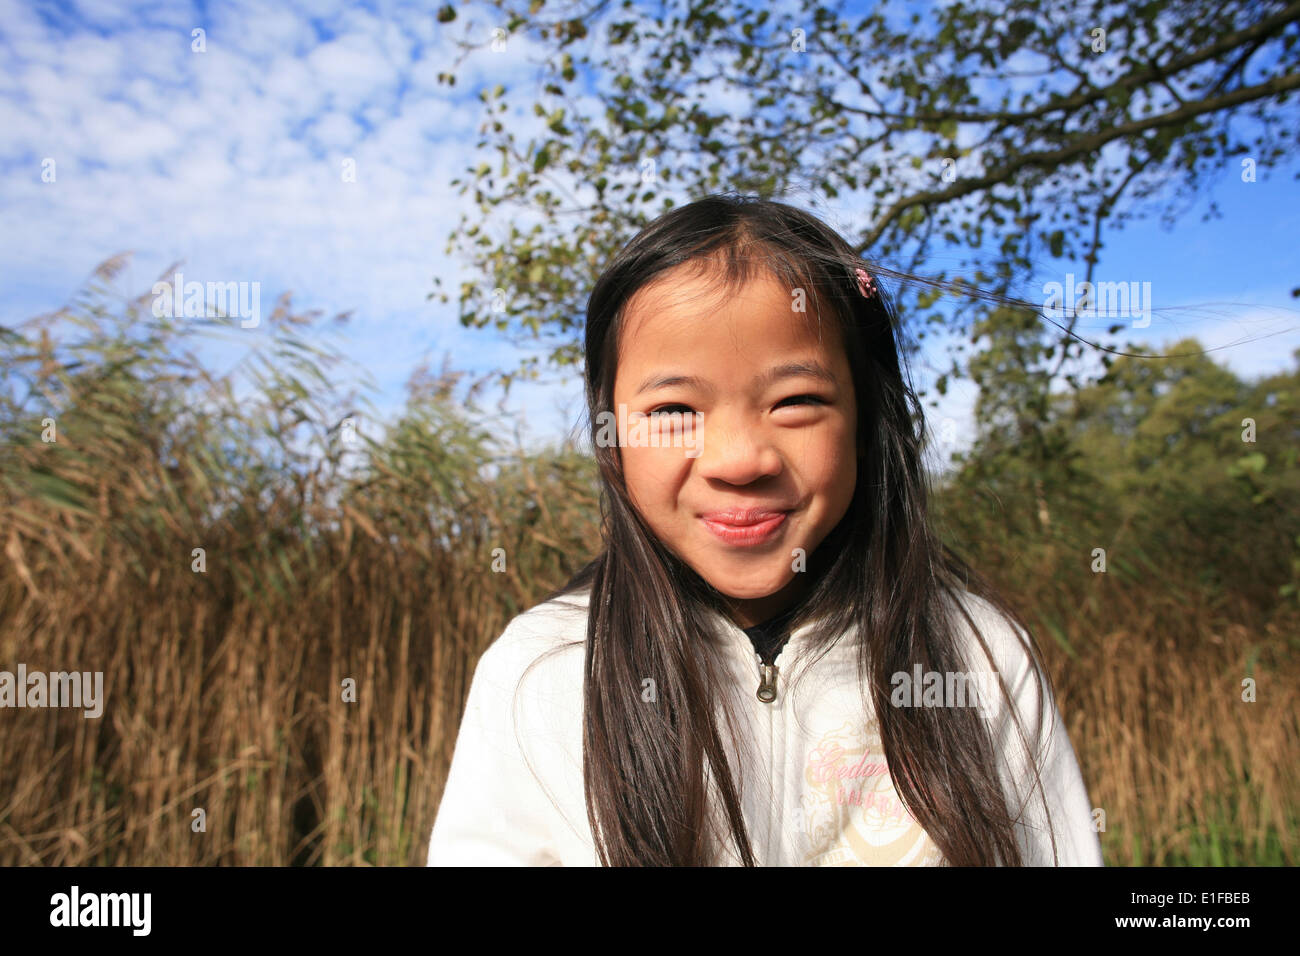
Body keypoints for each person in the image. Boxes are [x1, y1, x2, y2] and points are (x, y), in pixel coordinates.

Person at [427, 193, 1103, 866]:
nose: (740, 460)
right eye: (671, 410)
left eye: (796, 400)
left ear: (868, 423)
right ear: (613, 442)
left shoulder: (979, 656)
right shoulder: (541, 671)